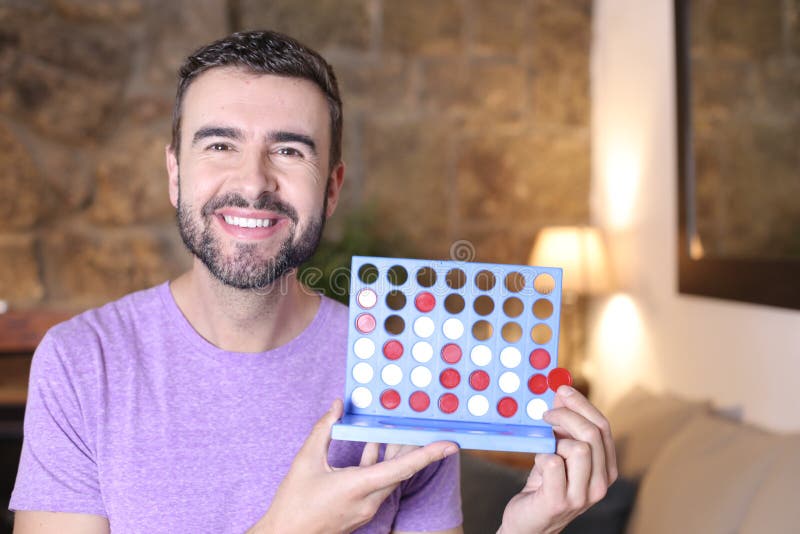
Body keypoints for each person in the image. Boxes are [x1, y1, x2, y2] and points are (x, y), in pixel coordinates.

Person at [9, 30, 617, 534]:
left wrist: (524, 531)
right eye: (219, 143)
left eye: (290, 151)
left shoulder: (402, 368)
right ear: (175, 173)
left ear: (331, 186)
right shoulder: (82, 362)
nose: (253, 182)